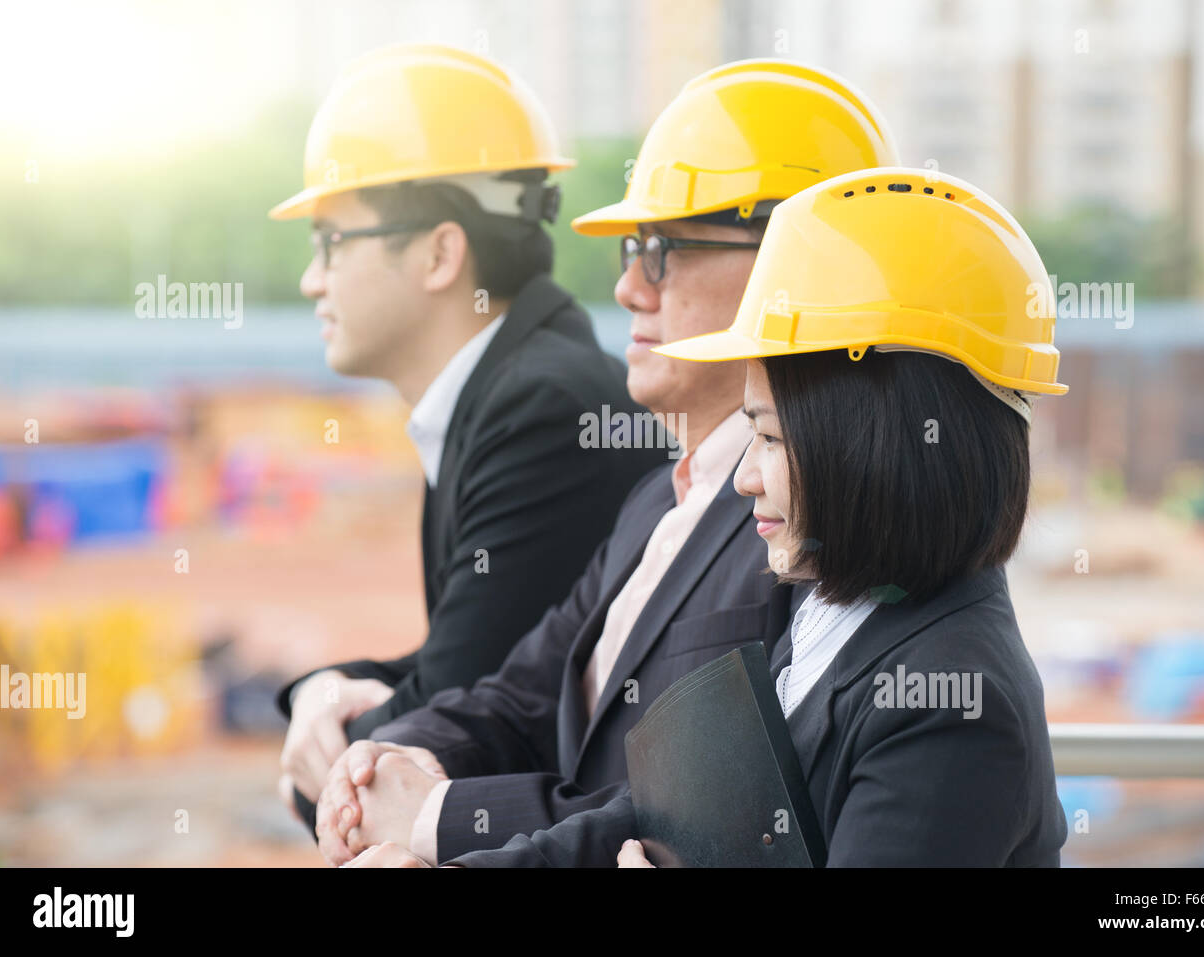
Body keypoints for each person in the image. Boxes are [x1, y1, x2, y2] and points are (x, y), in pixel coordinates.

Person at [387, 166, 1070, 867]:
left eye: (769, 440)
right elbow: (657, 816)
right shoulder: (832, 619)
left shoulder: (952, 706)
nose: (743, 478)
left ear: (876, 445)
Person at [310, 59, 901, 866]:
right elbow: (524, 692)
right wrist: (394, 756)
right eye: (632, 248)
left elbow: (711, 814)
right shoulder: (659, 499)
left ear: (789, 269)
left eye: (663, 251)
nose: (627, 287)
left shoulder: (819, 528)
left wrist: (436, 821)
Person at [267, 44, 666, 827]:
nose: (312, 279)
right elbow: (466, 667)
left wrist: (315, 775)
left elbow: (463, 709)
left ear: (442, 253)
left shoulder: (543, 411)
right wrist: (322, 689)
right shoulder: (501, 392)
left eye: (330, 243)